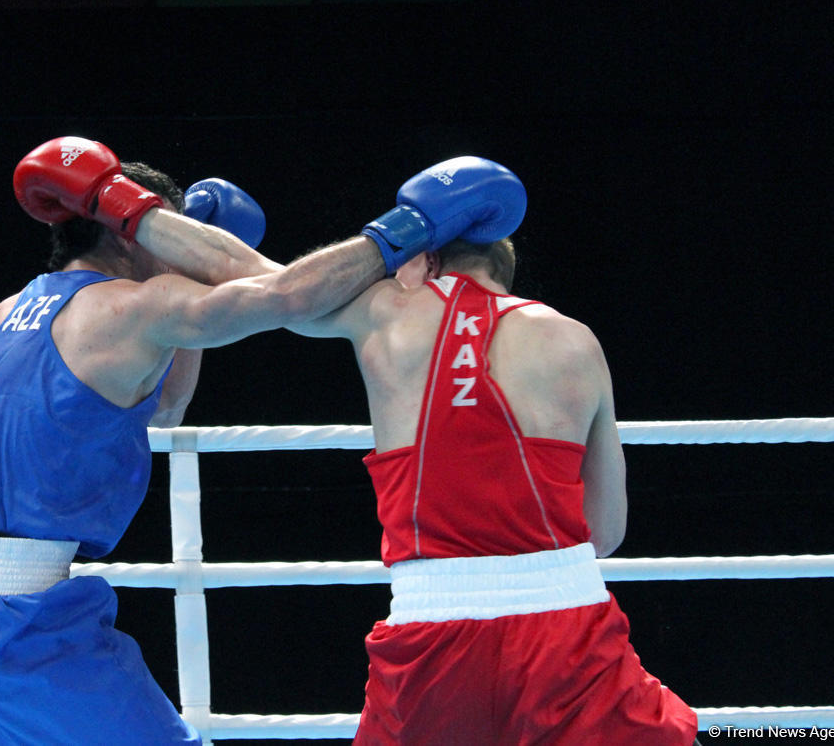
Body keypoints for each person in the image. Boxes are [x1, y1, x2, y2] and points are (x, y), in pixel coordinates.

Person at [0, 136, 523, 745]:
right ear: (130, 226)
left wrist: (183, 267)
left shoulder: (12, 308)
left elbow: (164, 407)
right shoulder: (139, 306)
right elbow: (288, 296)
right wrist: (407, 228)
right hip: (12, 617)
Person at [281, 161, 700, 744]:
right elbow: (605, 531)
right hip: (569, 627)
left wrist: (390, 235)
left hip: (435, 632)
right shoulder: (577, 340)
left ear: (426, 261)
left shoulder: (389, 316)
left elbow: (275, 293)